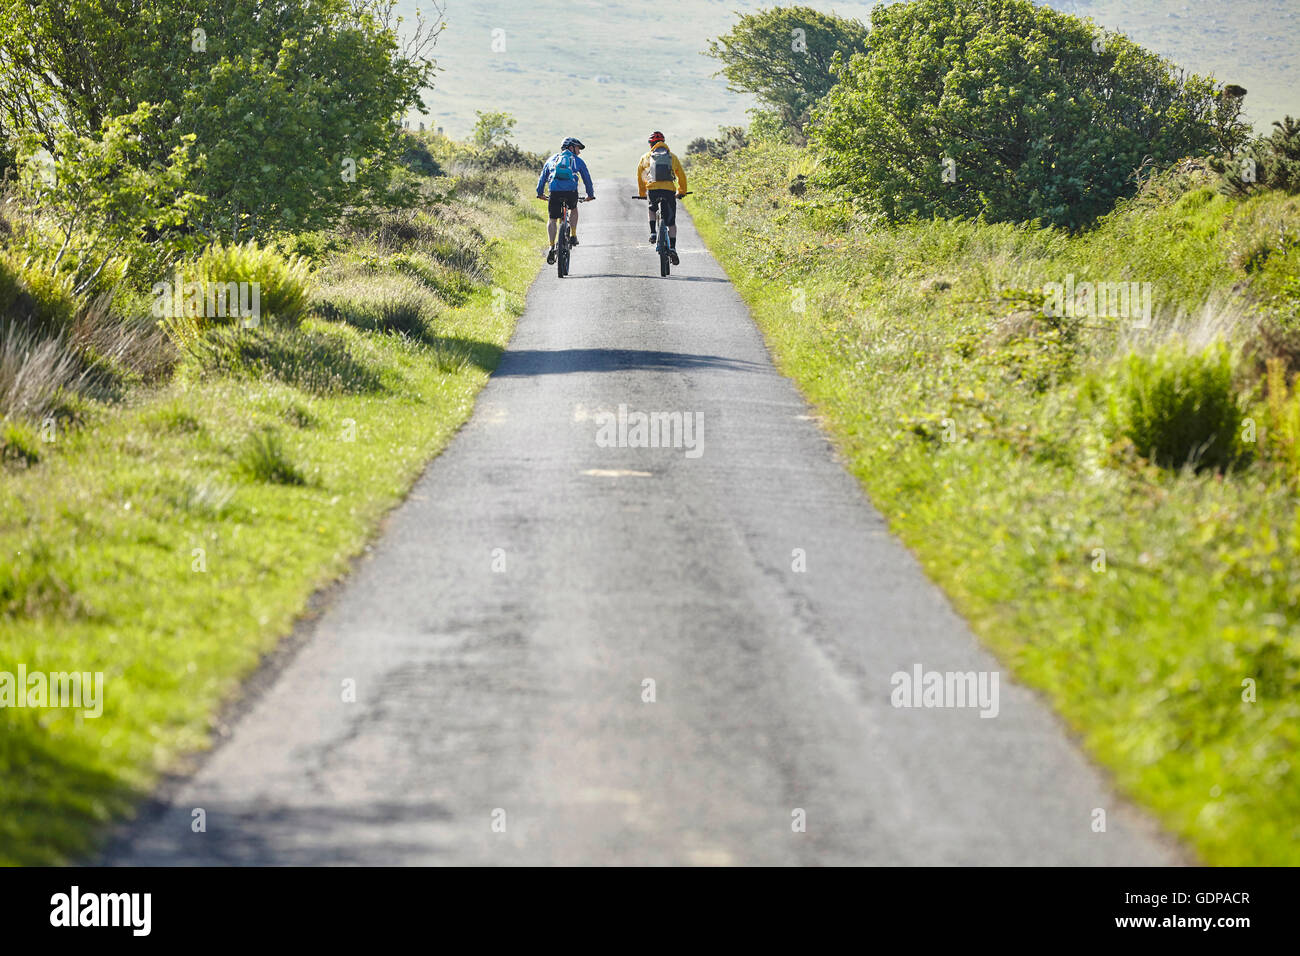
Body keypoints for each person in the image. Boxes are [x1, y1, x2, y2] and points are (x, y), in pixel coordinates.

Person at [536, 137, 595, 264]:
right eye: (578, 148)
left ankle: (551, 246)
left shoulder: (552, 159)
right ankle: (573, 235)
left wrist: (540, 193)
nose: (579, 152)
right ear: (571, 147)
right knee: (573, 209)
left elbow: (542, 178)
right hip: (571, 192)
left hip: (555, 192)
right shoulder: (577, 161)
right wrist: (590, 195)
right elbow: (587, 178)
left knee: (552, 219)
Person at [636, 131, 687, 266]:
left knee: (652, 209)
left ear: (651, 144)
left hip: (653, 190)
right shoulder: (672, 157)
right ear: (664, 142)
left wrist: (642, 193)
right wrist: (681, 191)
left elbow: (640, 176)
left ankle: (653, 233)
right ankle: (673, 248)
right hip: (669, 191)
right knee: (671, 223)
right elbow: (681, 175)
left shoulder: (646, 157)